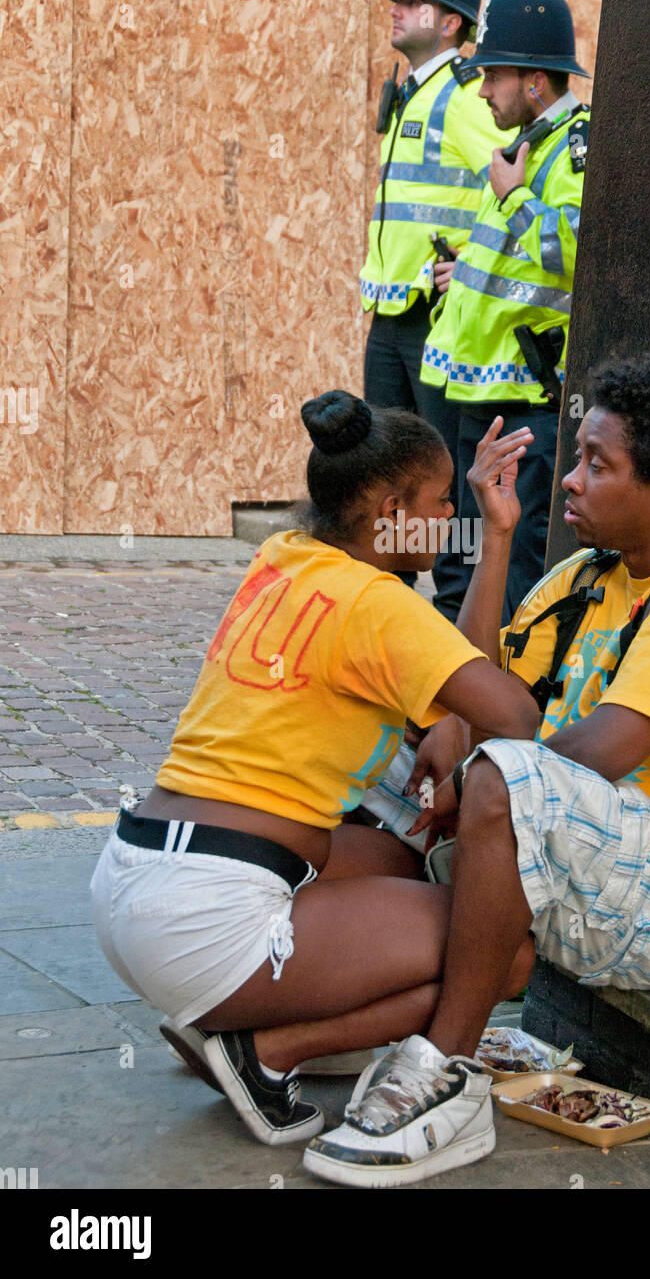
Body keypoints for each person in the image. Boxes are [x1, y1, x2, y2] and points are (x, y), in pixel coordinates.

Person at [303, 354, 650, 1187]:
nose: (567, 481)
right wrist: (495, 538)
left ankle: (445, 1076)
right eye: (575, 459)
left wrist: (474, 770)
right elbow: (473, 686)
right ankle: (301, 986)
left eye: (597, 465)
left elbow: (599, 753)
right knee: (386, 755)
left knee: (496, 771)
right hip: (564, 866)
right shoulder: (582, 577)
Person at [90, 391, 538, 1161]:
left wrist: (493, 542)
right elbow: (512, 715)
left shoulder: (284, 559)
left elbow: (445, 697)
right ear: (390, 509)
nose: (449, 522)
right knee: (499, 951)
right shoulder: (377, 606)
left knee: (402, 859)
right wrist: (452, 717)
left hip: (134, 882)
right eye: (440, 504)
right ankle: (268, 1049)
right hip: (206, 923)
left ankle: (234, 1017)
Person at [421, 0, 591, 621]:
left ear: (537, 81)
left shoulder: (574, 146)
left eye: (494, 75)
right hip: (479, 397)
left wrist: (517, 199)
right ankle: (459, 708)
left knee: (510, 569)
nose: (485, 90)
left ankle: (502, 710)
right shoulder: (525, 147)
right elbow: (513, 261)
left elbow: (573, 254)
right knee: (468, 561)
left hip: (522, 404)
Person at [360, 0, 507, 617]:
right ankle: (388, 607)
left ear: (451, 22)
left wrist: (472, 261)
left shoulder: (460, 98)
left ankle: (453, 620)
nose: (396, 10)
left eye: (412, 2)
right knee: (385, 470)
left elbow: (513, 185)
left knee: (440, 472)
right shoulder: (411, 95)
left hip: (433, 321)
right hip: (391, 318)